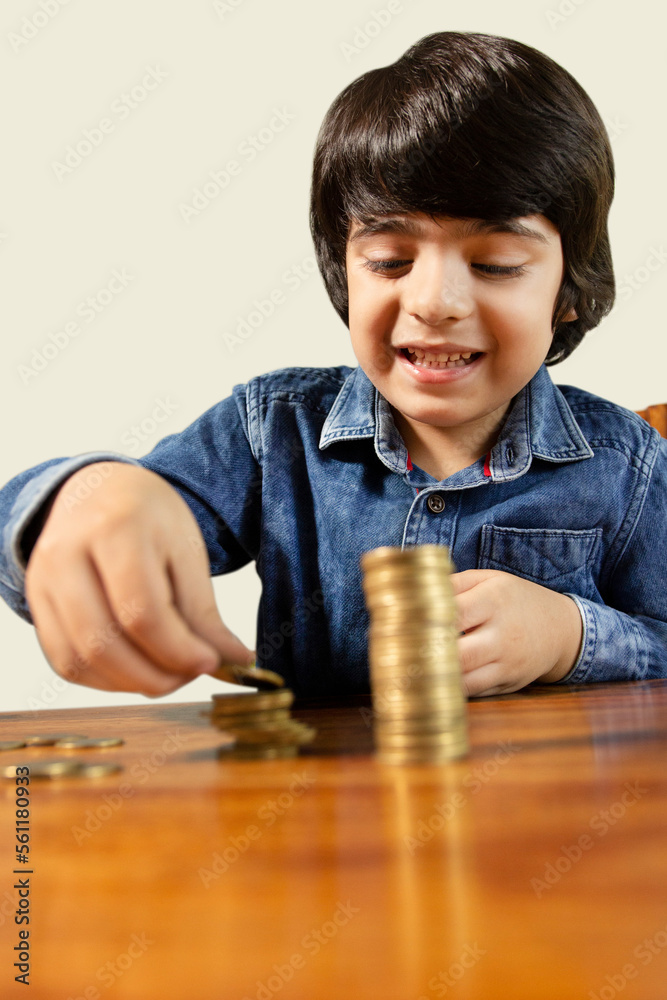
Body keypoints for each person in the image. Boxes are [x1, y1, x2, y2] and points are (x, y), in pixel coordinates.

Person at [1, 30, 665, 700]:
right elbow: (112, 535)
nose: (433, 302)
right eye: (388, 261)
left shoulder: (626, 463)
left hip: (549, 805)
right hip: (314, 806)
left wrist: (569, 636)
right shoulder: (269, 433)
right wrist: (77, 499)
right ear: (345, 274)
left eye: (493, 263)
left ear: (568, 293)